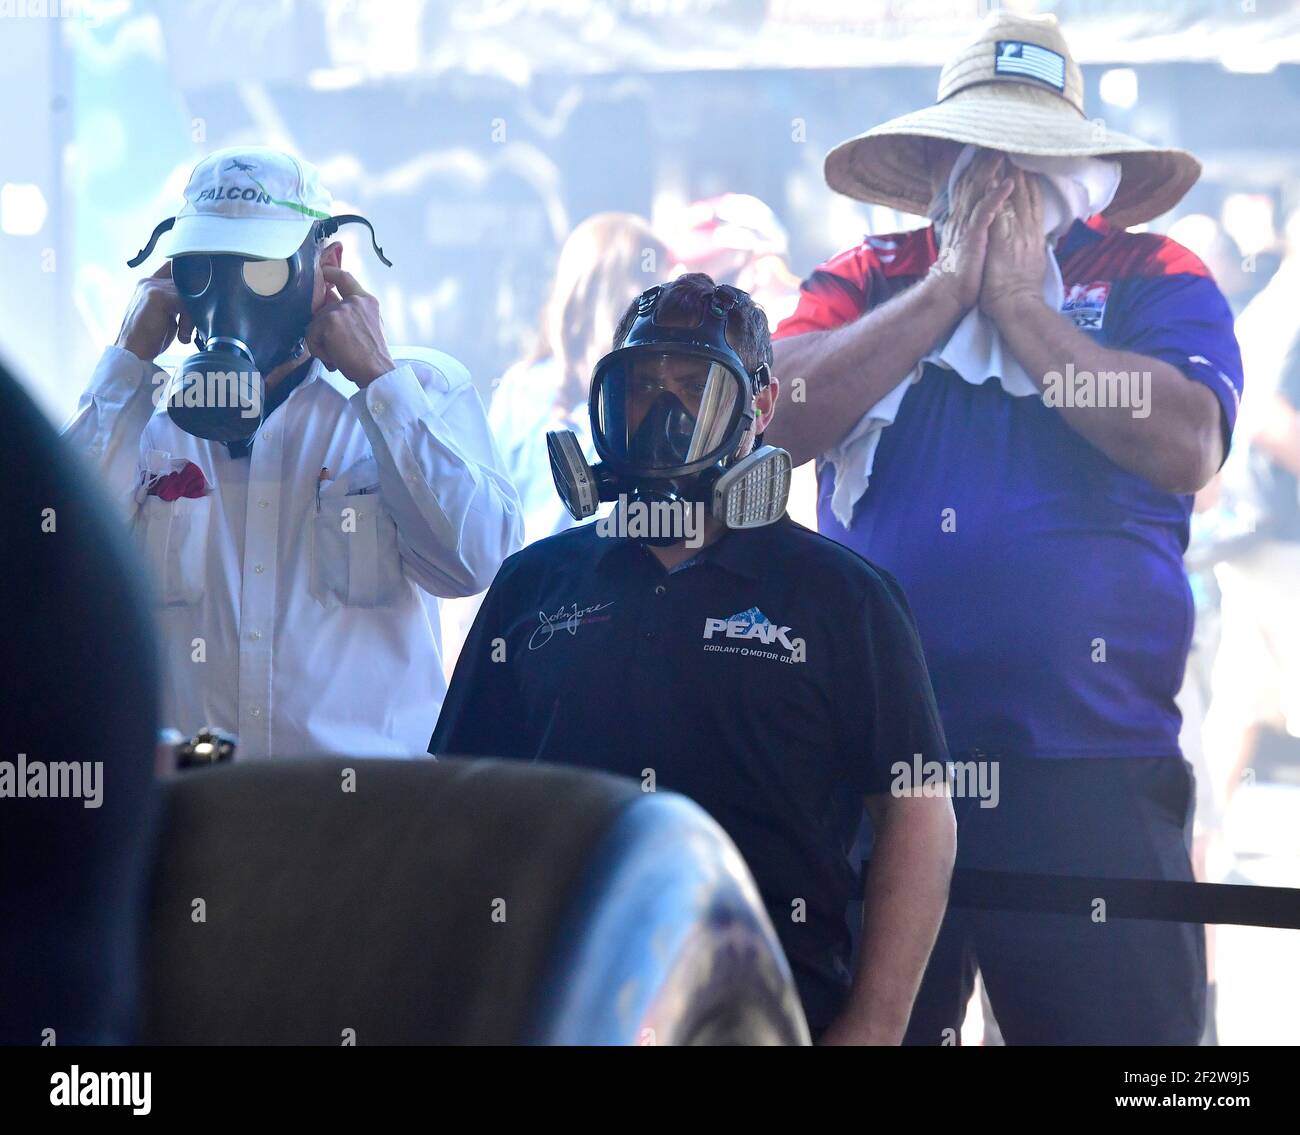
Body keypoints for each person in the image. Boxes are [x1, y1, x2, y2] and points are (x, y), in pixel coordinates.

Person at [770, 11, 1242, 1044]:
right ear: (942, 161)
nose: (1003, 181)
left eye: (1029, 159)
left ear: (1077, 169)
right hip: (878, 774)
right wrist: (943, 294)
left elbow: (1189, 443)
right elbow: (771, 417)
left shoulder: (1152, 275)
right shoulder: (866, 277)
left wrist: (1024, 309)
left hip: (1090, 771)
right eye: (982, 155)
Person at [432, 274, 956, 1043]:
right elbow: (462, 797)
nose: (665, 410)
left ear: (760, 407)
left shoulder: (842, 597)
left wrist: (874, 1023)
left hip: (766, 1007)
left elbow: (916, 810)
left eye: (694, 385)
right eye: (643, 385)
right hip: (559, 1002)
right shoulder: (534, 584)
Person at [62, 147, 522, 759]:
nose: (231, 296)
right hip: (199, 823)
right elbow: (51, 562)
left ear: (326, 264)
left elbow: (477, 563)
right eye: (205, 268)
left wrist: (381, 383)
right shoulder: (140, 413)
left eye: (263, 269)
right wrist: (127, 361)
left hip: (366, 830)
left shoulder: (422, 392)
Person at [489, 213, 668, 546]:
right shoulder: (522, 389)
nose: (661, 291)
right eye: (649, 274)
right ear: (611, 285)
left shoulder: (519, 384)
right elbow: (488, 516)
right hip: (538, 585)